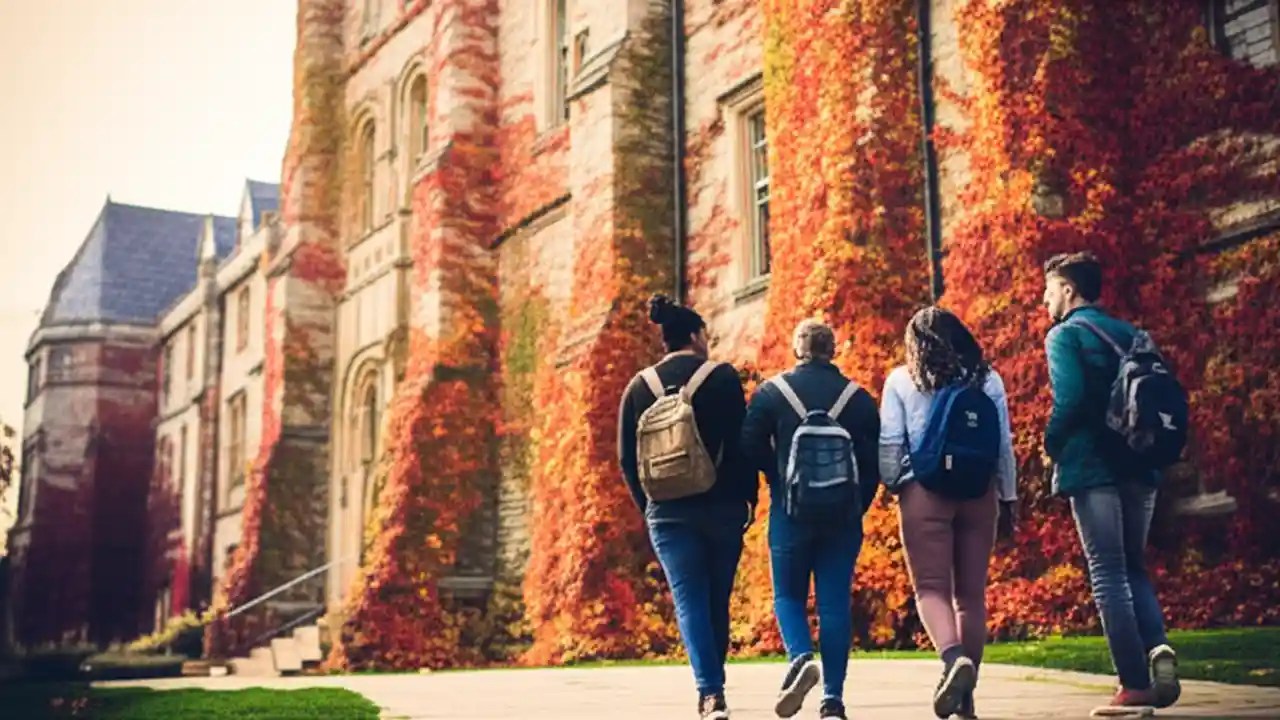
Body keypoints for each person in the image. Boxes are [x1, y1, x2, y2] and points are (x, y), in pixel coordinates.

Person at [1042, 251, 1180, 710]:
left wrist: (1051, 443)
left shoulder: (1064, 336)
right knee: (1133, 565)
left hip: (1093, 466)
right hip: (1140, 464)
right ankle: (1157, 646)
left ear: (1067, 289)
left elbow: (1071, 399)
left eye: (1049, 289)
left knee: (1107, 572)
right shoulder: (1131, 334)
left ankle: (1134, 684)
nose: (1045, 300)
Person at [618, 294, 756, 720]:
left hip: (668, 511)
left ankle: (710, 692)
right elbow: (742, 444)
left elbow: (626, 458)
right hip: (723, 505)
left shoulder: (639, 387)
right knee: (717, 597)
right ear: (696, 336)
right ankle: (715, 682)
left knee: (688, 598)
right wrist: (748, 497)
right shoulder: (723, 378)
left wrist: (649, 506)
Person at [878, 306, 1017, 719]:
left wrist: (893, 483)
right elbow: (1003, 445)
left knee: (931, 589)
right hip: (979, 491)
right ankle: (966, 700)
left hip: (926, 490)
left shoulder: (902, 380)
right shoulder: (988, 379)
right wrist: (1008, 497)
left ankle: (952, 658)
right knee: (971, 597)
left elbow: (890, 445)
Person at [741, 319, 881, 720]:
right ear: (833, 350)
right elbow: (874, 463)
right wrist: (858, 503)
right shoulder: (857, 399)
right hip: (842, 515)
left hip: (791, 511)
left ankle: (801, 657)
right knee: (835, 603)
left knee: (787, 595)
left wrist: (778, 478)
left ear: (796, 349)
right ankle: (833, 701)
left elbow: (748, 444)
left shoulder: (772, 394)